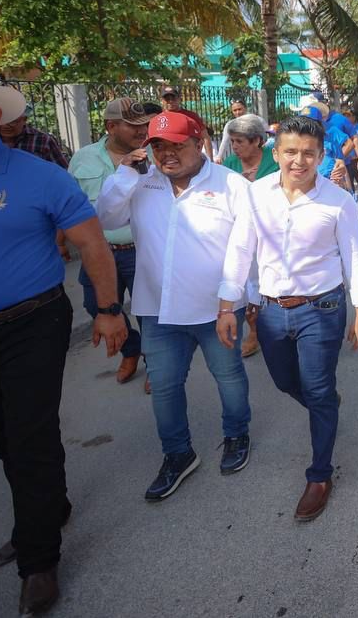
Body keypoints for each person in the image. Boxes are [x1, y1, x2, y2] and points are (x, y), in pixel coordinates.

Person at [0, 64, 126, 616]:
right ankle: (49, 503)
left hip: (32, 327)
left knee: (29, 437)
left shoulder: (40, 176)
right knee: (0, 435)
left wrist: (109, 311)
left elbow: (93, 245)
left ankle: (37, 559)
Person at [217, 116, 358, 520]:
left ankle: (320, 475)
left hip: (321, 309)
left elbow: (355, 256)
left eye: (308, 153)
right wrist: (227, 305)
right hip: (270, 311)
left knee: (317, 389)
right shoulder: (256, 194)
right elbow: (240, 250)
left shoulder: (338, 201)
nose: (298, 161)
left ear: (321, 156)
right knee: (286, 382)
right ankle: (326, 404)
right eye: (290, 152)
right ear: (277, 152)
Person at [96, 111, 253, 503]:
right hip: (158, 308)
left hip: (216, 307)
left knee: (228, 376)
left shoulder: (230, 184)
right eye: (158, 146)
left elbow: (242, 248)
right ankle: (178, 453)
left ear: (199, 143)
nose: (167, 154)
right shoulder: (140, 182)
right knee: (164, 386)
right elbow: (106, 218)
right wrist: (125, 174)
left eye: (177, 145)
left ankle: (237, 434)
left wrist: (231, 303)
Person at [68, 97, 160, 386]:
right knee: (96, 306)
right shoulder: (83, 158)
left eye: (144, 124)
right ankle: (130, 349)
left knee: (150, 313)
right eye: (133, 125)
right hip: (99, 252)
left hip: (142, 251)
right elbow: (71, 204)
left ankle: (155, 363)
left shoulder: (156, 154)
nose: (141, 130)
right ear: (111, 127)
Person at [220, 113, 278, 358]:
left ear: (257, 141)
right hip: (241, 233)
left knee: (269, 283)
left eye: (239, 141)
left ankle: (274, 328)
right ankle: (253, 331)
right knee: (246, 285)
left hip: (272, 234)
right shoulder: (229, 165)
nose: (234, 146)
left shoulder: (274, 160)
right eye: (232, 141)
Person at [0, 107, 70, 169]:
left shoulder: (43, 140)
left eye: (12, 121)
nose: (5, 126)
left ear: (24, 120)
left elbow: (63, 172)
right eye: (1, 121)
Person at [159, 86, 213, 161]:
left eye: (173, 98)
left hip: (189, 157)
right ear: (162, 101)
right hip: (169, 158)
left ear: (179, 99)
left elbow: (205, 137)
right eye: (167, 99)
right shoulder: (159, 119)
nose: (170, 101)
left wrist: (210, 160)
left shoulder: (191, 116)